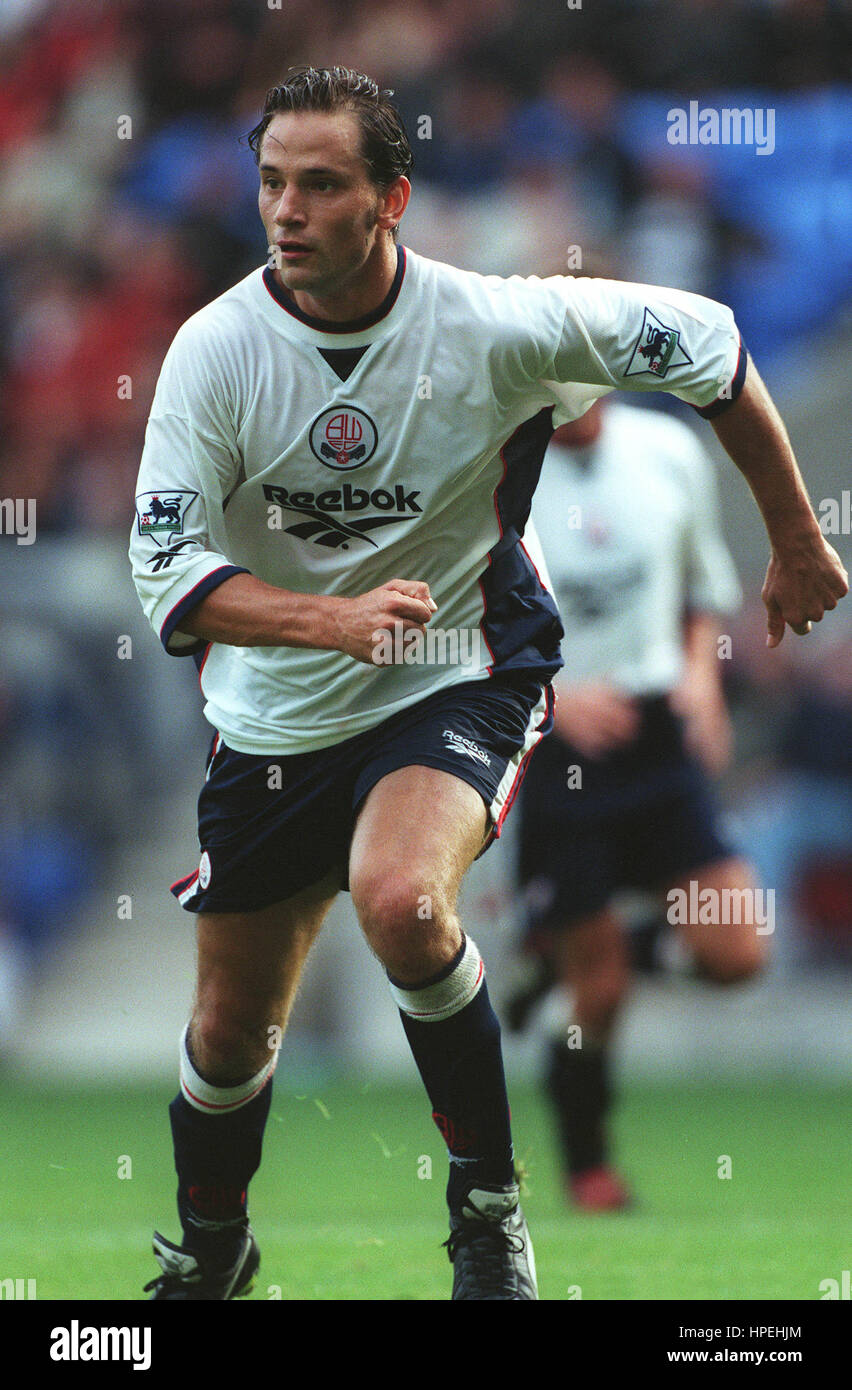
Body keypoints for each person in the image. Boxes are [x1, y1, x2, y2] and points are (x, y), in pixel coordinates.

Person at [128, 66, 847, 1301]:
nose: (286, 211)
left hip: (459, 671)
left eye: (321, 184)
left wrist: (793, 537)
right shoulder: (216, 351)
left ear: (392, 197)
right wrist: (328, 618)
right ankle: (212, 1249)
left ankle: (489, 1221)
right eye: (270, 183)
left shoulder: (496, 323)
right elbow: (166, 571)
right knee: (228, 1038)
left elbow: (714, 349)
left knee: (402, 899)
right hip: (275, 717)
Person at [508, 395, 765, 1211]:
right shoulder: (497, 467)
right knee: (601, 994)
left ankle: (569, 955)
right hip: (557, 745)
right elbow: (457, 619)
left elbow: (702, 584)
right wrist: (552, 695)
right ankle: (590, 1166)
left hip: (655, 735)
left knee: (736, 954)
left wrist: (701, 681)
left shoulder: (670, 447)